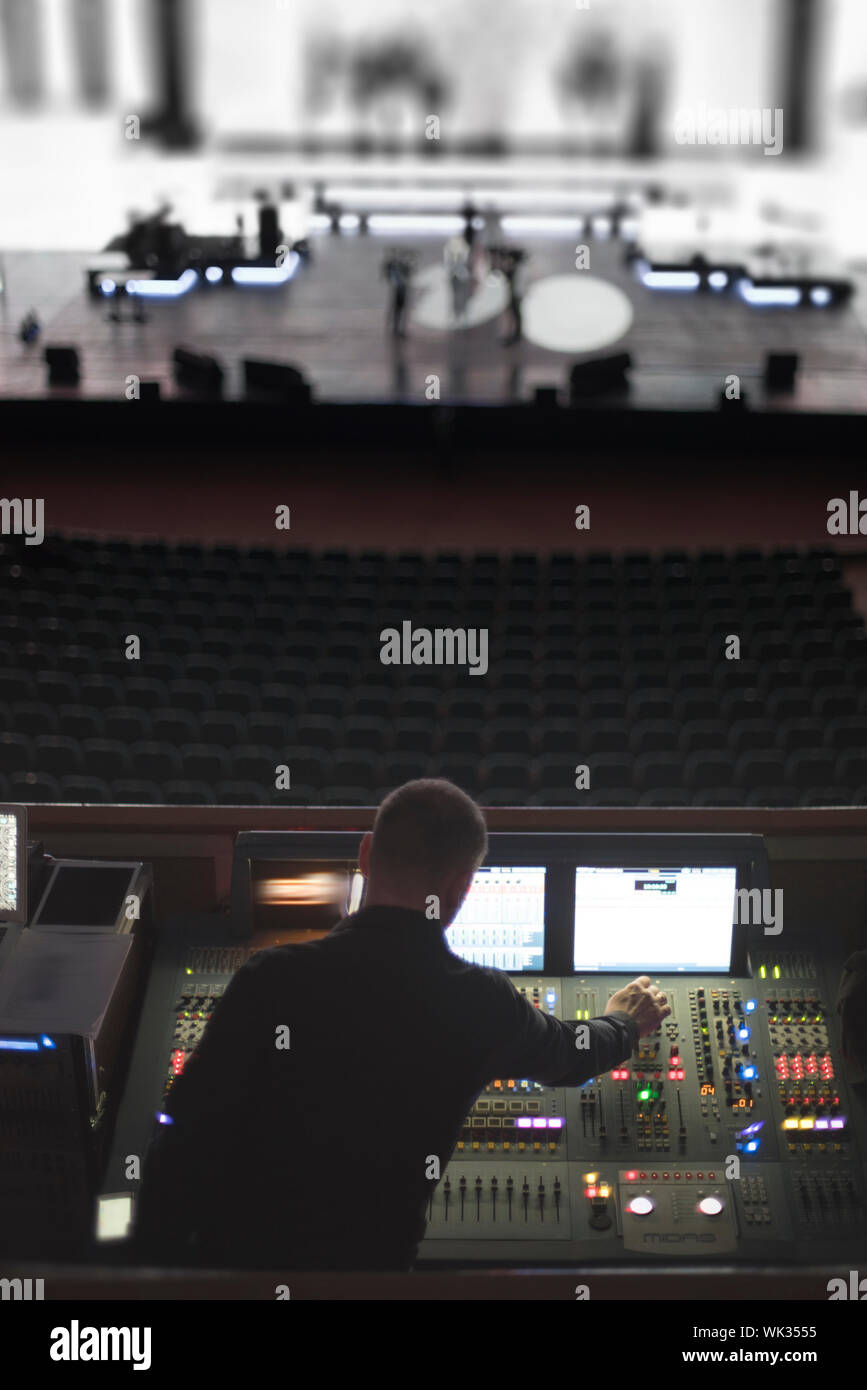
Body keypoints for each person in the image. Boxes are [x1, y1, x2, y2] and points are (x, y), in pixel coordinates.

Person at [131, 779, 669, 1270]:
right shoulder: (480, 1002)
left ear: (365, 854)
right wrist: (624, 1021)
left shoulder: (270, 978)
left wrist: (153, 1272)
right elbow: (571, 1054)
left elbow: (182, 1140)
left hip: (236, 1271)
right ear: (464, 883)